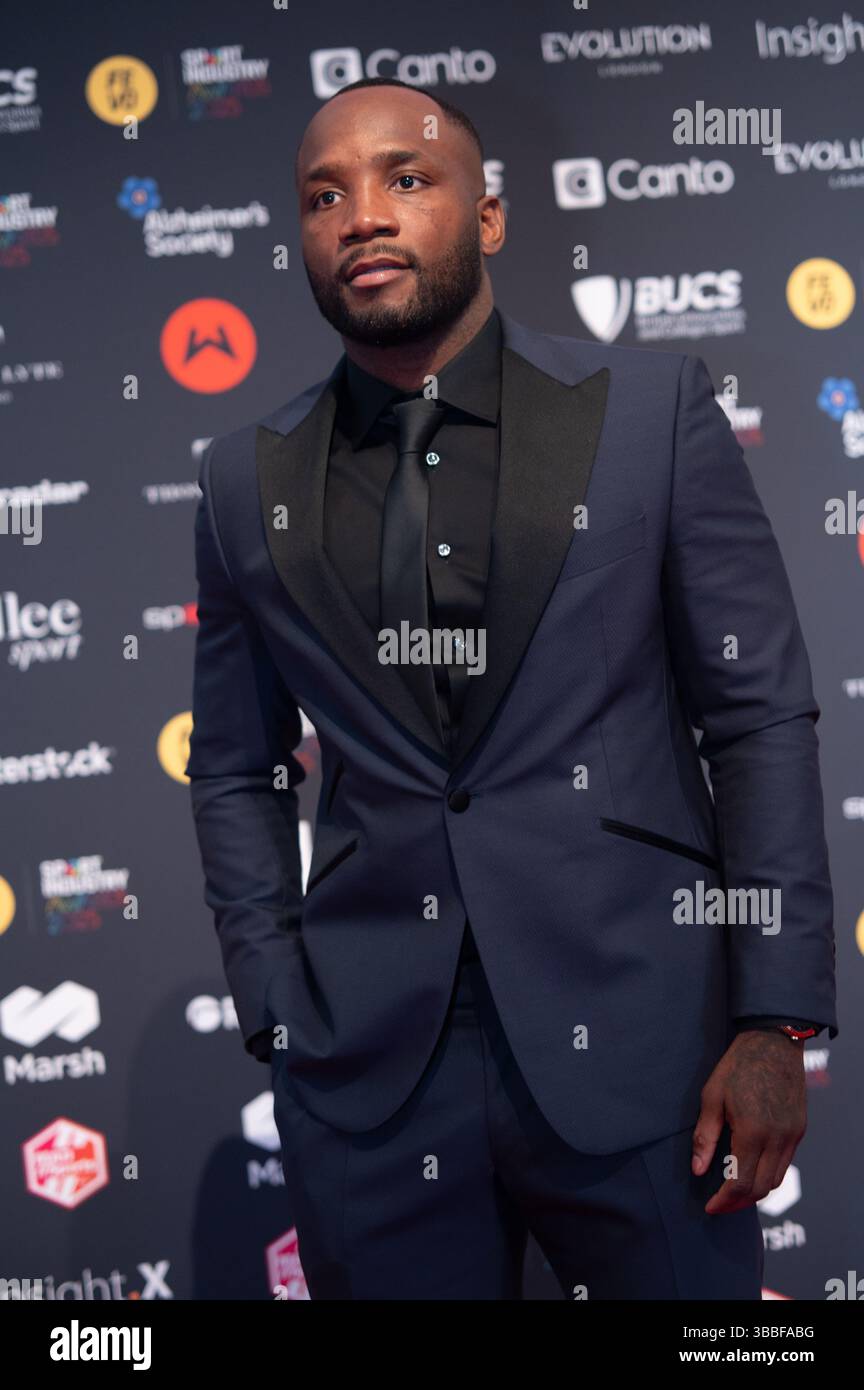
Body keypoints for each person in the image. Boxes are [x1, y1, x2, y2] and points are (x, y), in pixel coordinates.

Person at [187, 77, 837, 1300]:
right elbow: (231, 762)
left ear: (487, 216)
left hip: (649, 1053)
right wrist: (278, 1004)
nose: (362, 215)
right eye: (326, 195)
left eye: (407, 178)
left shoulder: (651, 417)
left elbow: (756, 719)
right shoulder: (239, 481)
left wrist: (772, 1021)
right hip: (370, 1082)